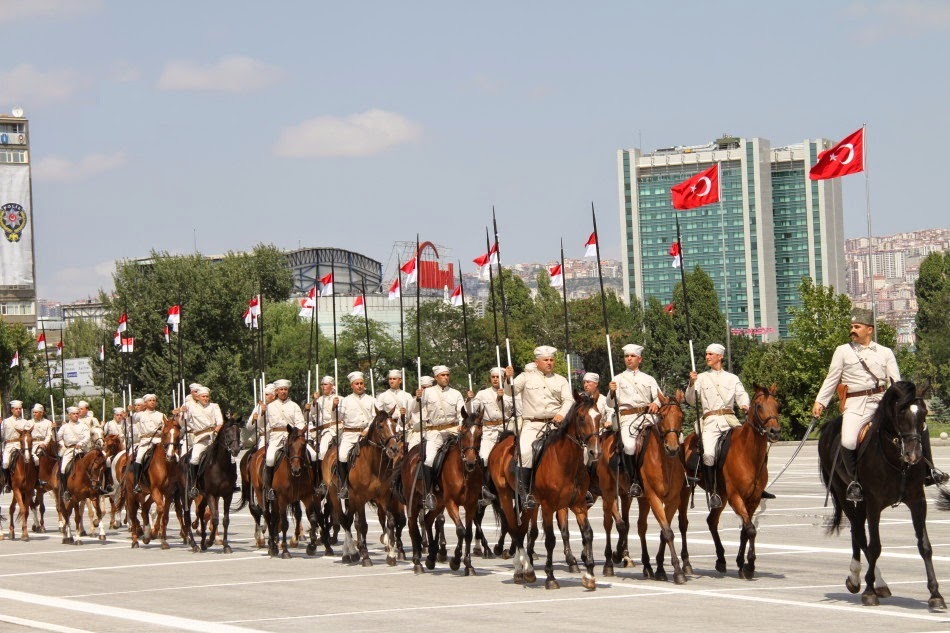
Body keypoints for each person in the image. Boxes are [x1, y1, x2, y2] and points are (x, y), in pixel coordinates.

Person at [813, 307, 945, 502]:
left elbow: (896, 382)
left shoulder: (885, 352)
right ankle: (854, 483)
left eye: (857, 326)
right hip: (856, 403)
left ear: (869, 329)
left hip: (882, 402)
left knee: (919, 427)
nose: (853, 330)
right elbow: (832, 378)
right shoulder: (842, 351)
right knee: (848, 439)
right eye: (851, 326)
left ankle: (928, 471)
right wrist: (820, 401)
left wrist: (901, 403)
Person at [504, 346, 573, 510]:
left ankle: (583, 488)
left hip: (557, 423)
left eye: (551, 359)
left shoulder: (560, 380)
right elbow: (509, 392)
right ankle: (526, 493)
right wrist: (508, 378)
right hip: (533, 424)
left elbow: (568, 400)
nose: (549, 363)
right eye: (546, 360)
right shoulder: (525, 377)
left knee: (581, 449)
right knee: (526, 451)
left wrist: (561, 415)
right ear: (537, 362)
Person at [686, 343, 750, 509]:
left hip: (730, 419)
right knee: (708, 454)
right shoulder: (700, 378)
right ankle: (713, 491)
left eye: (710, 354)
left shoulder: (732, 378)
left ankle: (756, 484)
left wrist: (745, 405)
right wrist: (691, 384)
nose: (707, 357)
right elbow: (691, 400)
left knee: (751, 446)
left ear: (720, 357)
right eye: (706, 354)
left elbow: (742, 395)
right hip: (711, 421)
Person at [607, 344, 661, 497]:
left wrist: (655, 403)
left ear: (639, 359)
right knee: (629, 446)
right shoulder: (617, 379)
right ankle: (634, 481)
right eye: (626, 356)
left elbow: (659, 397)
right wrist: (611, 391)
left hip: (647, 416)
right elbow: (610, 404)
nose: (629, 359)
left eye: (632, 356)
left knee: (670, 436)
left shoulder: (648, 379)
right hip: (628, 417)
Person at [415, 365, 466, 511]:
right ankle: (429, 492)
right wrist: (417, 399)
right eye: (442, 375)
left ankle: (479, 488)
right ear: (436, 378)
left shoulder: (456, 393)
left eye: (447, 375)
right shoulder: (427, 392)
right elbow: (415, 410)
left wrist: (461, 426)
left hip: (453, 430)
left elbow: (462, 412)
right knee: (429, 459)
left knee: (470, 453)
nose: (445, 377)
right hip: (435, 432)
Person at [471, 367, 513, 504]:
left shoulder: (510, 392)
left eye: (498, 377)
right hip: (489, 430)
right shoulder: (483, 394)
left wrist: (502, 399)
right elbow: (472, 410)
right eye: (493, 377)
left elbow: (514, 408)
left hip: (505, 428)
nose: (495, 379)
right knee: (483, 457)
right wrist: (469, 399)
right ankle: (484, 487)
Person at [335, 371, 377, 500]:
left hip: (367, 434)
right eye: (356, 384)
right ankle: (344, 485)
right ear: (351, 385)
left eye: (361, 383)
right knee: (342, 456)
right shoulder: (345, 400)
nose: (359, 386)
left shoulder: (372, 400)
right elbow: (338, 418)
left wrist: (368, 429)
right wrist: (334, 407)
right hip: (350, 434)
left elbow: (377, 418)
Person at [263, 379, 306, 501]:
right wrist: (260, 414)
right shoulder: (270, 407)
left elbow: (300, 422)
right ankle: (270, 488)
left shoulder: (294, 406)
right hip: (276, 437)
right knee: (270, 458)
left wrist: (297, 433)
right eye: (281, 389)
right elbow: (262, 425)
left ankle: (314, 485)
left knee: (312, 455)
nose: (283, 392)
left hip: (292, 437)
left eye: (285, 389)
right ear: (276, 391)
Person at [184, 386, 224, 497]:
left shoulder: (214, 406)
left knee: (230, 457)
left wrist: (217, 429)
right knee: (194, 458)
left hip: (214, 436)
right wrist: (182, 414)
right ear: (198, 397)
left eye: (207, 396)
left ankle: (232, 482)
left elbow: (220, 421)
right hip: (200, 437)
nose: (205, 398)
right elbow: (184, 423)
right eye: (203, 396)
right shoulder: (191, 407)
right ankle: (194, 485)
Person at [309, 376, 339, 495]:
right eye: (322, 385)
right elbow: (313, 413)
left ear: (332, 386)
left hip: (339, 428)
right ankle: (321, 480)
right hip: (327, 429)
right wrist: (314, 402)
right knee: (322, 451)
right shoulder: (319, 399)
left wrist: (336, 405)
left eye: (326, 384)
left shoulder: (339, 398)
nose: (323, 387)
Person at [132, 394, 165, 493]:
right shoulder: (140, 415)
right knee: (139, 458)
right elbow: (132, 419)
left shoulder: (161, 415)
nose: (152, 402)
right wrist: (130, 411)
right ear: (145, 403)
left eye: (154, 400)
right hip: (146, 441)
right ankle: (136, 483)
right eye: (150, 400)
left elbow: (165, 427)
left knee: (173, 457)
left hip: (159, 440)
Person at [58, 406, 91, 503]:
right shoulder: (64, 427)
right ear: (69, 415)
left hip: (82, 449)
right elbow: (59, 438)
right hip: (69, 450)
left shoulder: (83, 425)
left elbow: (87, 437)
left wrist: (81, 443)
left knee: (94, 463)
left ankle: (96, 486)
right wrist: (62, 444)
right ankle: (66, 491)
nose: (76, 415)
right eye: (74, 414)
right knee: (63, 469)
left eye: (77, 413)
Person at [1, 400, 30, 492]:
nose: (18, 410)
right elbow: (2, 435)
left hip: (21, 446)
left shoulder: (25, 422)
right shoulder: (6, 421)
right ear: (12, 410)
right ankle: (7, 482)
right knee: (5, 462)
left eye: (19, 409)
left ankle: (34, 481)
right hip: (9, 445)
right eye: (16, 409)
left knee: (31, 460)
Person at [29, 403, 53, 487]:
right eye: (33, 412)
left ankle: (41, 478)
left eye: (36, 412)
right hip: (31, 444)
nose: (34, 414)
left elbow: (49, 435)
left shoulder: (48, 423)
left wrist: (45, 443)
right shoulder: (29, 422)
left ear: (41, 413)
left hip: (42, 443)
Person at [246, 383, 276, 450]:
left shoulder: (277, 406)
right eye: (264, 395)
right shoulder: (258, 407)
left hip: (276, 437)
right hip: (263, 438)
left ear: (273, 396)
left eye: (267, 395)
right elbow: (249, 427)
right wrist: (254, 419)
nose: (264, 397)